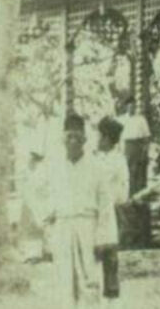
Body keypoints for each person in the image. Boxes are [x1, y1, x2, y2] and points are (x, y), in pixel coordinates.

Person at [45, 113, 118, 307]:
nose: (73, 142)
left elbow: (105, 205)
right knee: (64, 282)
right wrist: (47, 212)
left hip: (88, 227)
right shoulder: (54, 166)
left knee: (88, 281)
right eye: (69, 136)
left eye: (78, 137)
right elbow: (35, 190)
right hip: (63, 226)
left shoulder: (96, 167)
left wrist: (104, 237)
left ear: (84, 140)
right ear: (63, 139)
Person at [95, 117, 129, 303]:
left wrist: (109, 197)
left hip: (108, 214)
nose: (96, 139)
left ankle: (111, 301)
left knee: (109, 261)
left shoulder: (118, 161)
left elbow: (123, 192)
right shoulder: (92, 158)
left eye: (99, 136)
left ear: (106, 138)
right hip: (91, 215)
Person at [116, 97, 151, 245]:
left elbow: (147, 138)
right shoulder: (122, 120)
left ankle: (139, 193)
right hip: (127, 146)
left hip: (137, 146)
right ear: (125, 107)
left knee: (138, 171)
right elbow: (118, 139)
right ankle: (129, 194)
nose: (131, 108)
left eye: (133, 106)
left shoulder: (141, 119)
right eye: (129, 106)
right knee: (127, 172)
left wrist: (145, 150)